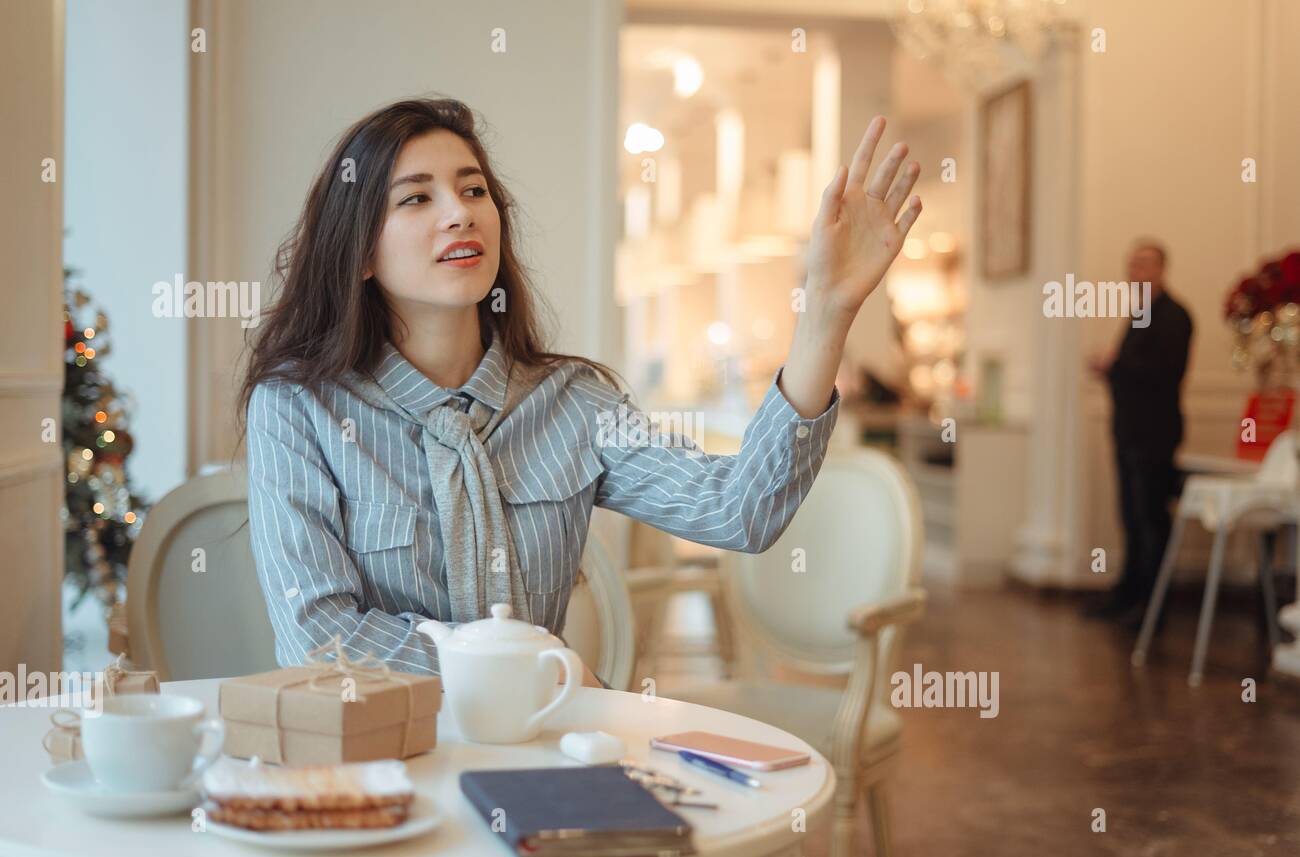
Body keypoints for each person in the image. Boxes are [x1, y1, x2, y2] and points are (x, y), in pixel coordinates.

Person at [237, 98, 921, 687]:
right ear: (359, 253)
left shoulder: (574, 402)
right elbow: (317, 636)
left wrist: (826, 314)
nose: (459, 213)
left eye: (474, 191)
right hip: (384, 768)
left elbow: (741, 512)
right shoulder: (299, 408)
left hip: (537, 757)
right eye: (417, 197)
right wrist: (529, 669)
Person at [1086, 240, 1194, 623]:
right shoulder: (1139, 315)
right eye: (1131, 265)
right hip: (1128, 430)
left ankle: (1153, 603)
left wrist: (1114, 364)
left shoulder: (1175, 317)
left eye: (1143, 265)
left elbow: (1161, 374)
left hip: (1155, 434)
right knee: (1130, 515)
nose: (1135, 273)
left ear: (1162, 269)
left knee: (1150, 517)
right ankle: (1129, 593)